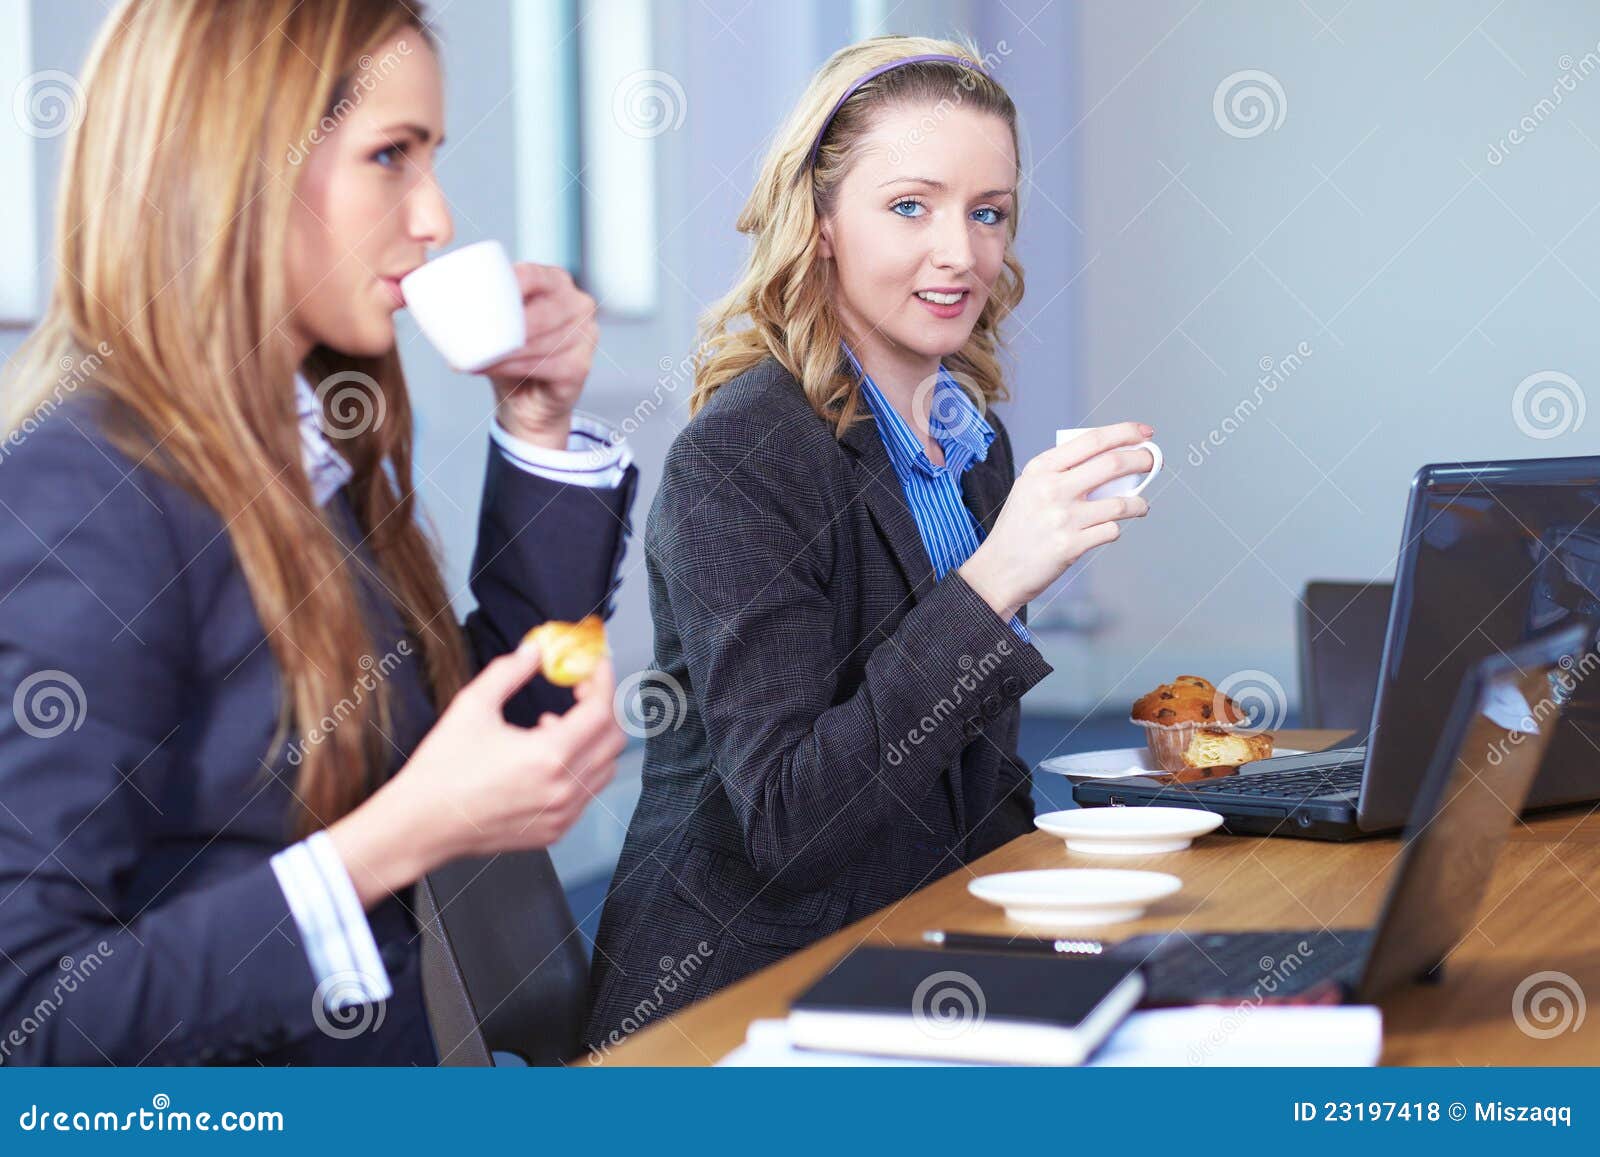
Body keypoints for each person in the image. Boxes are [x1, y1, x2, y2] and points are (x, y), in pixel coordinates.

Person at [0, 0, 633, 1065]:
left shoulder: (302, 447)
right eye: (391, 156)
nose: (434, 216)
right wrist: (394, 841)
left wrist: (535, 425)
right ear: (231, 168)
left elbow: (461, 731)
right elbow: (30, 1016)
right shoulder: (86, 490)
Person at [584, 35, 1154, 1049]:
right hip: (742, 995)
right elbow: (792, 823)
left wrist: (1089, 912)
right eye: (910, 206)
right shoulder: (743, 455)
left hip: (923, 952)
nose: (961, 253)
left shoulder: (974, 445)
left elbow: (974, 771)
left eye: (989, 212)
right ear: (821, 222)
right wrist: (993, 582)